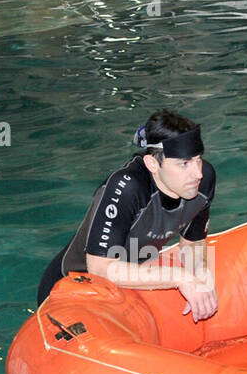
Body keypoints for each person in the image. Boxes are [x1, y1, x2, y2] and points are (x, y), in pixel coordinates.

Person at [38, 110, 217, 321]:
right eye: (184, 164)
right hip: (70, 287)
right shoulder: (128, 187)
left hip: (128, 279)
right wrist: (179, 277)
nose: (197, 173)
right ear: (152, 164)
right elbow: (99, 268)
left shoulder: (202, 183)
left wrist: (202, 278)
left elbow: (192, 246)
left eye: (198, 160)